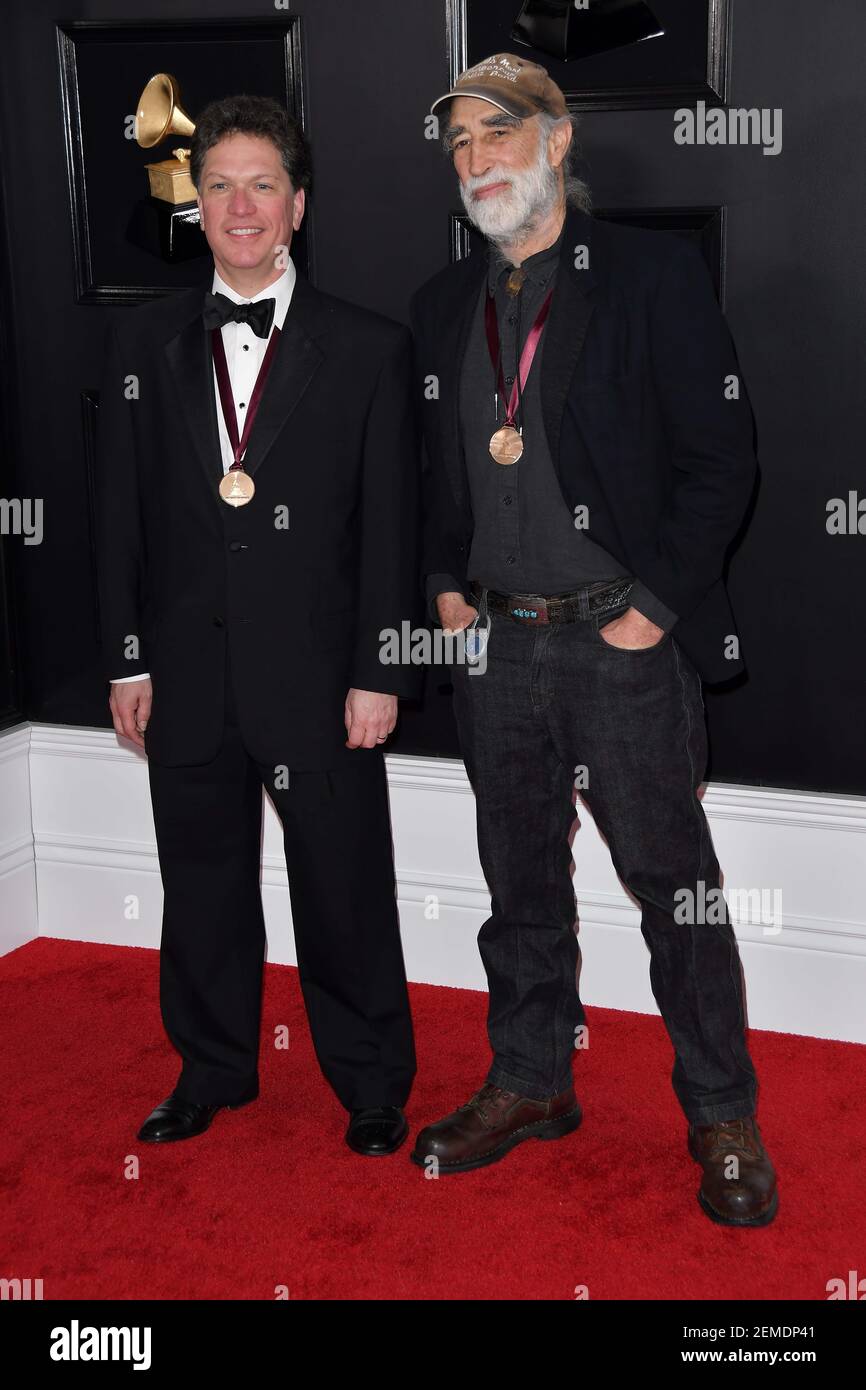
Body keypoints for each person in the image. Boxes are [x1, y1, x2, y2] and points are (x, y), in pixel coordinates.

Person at [408, 54, 777, 1225]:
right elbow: (433, 472)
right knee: (516, 890)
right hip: (494, 652)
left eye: (497, 136)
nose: (476, 163)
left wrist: (652, 609)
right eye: (459, 145)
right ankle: (528, 1083)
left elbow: (721, 461)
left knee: (677, 892)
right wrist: (441, 582)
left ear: (556, 142)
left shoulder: (648, 275)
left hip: (617, 646)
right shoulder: (436, 304)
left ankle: (720, 1113)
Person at [95, 94, 419, 1156]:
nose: (239, 204)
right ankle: (213, 1066)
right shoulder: (143, 342)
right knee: (199, 879)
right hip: (183, 670)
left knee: (344, 886)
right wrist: (127, 659)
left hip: (321, 675)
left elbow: (390, 527)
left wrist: (379, 668)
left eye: (261, 184)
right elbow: (117, 515)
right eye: (219, 183)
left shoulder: (367, 348)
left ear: (297, 206)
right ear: (199, 207)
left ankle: (370, 1080)